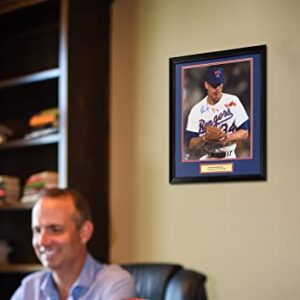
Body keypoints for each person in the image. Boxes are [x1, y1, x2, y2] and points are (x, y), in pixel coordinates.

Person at [11, 188, 136, 300]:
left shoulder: (115, 283)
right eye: (37, 231)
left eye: (55, 229)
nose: (42, 241)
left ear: (84, 233)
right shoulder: (30, 288)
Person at [185, 66, 249, 160]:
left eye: (220, 84)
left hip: (229, 157)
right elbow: (190, 144)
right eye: (214, 85)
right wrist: (204, 138)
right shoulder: (196, 110)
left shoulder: (233, 100)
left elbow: (245, 132)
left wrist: (228, 137)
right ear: (206, 85)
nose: (217, 89)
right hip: (207, 157)